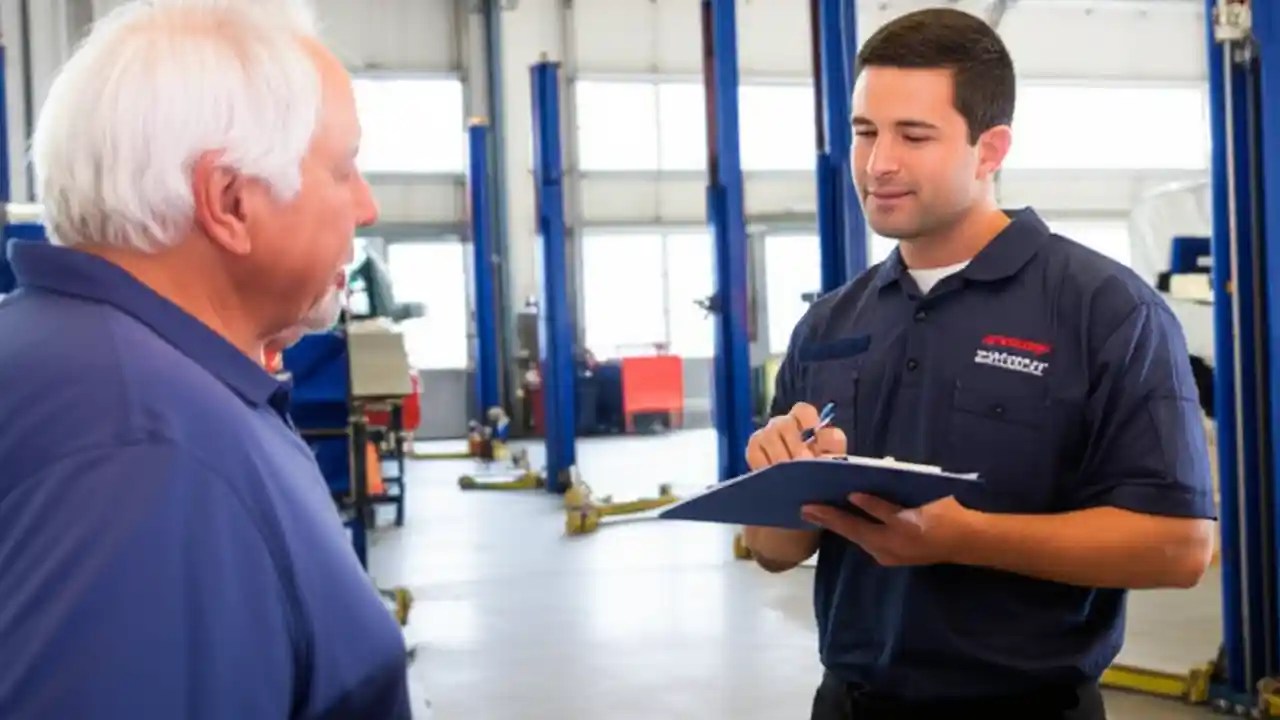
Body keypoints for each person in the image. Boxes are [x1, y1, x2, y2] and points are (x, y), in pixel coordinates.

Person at [743, 8, 1216, 720]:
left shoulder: (1105, 309)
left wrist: (967, 538)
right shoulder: (832, 321)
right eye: (865, 131)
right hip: (848, 703)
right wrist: (776, 484)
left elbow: (1178, 549)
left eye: (914, 135)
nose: (878, 164)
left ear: (990, 149)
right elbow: (776, 549)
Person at [0, 1, 412, 718]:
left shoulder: (73, 364)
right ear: (228, 201)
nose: (367, 206)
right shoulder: (152, 453)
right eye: (344, 169)